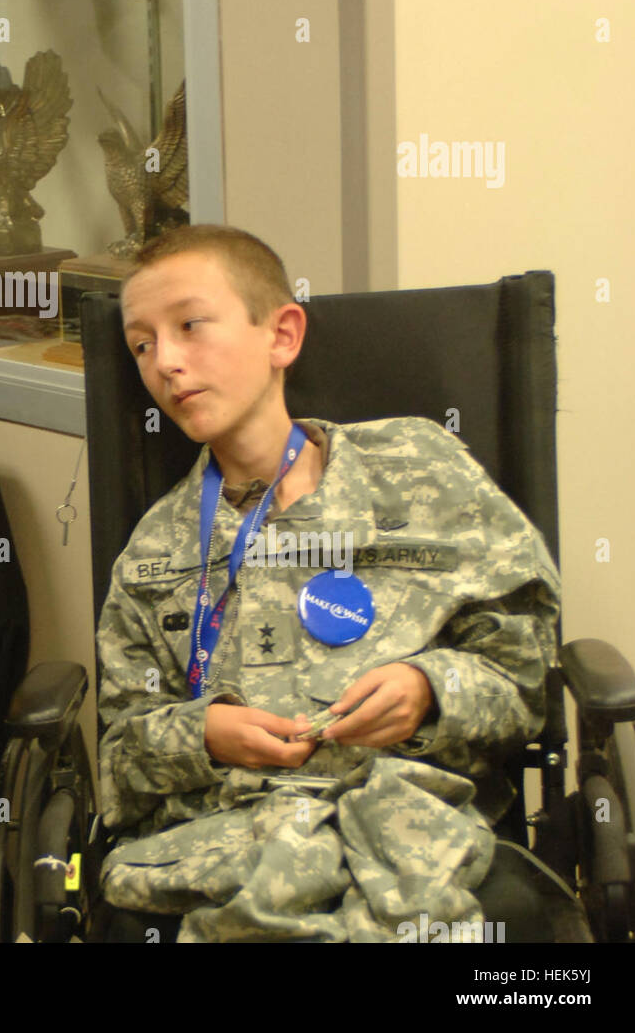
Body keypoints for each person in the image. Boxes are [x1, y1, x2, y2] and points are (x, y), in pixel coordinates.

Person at [96, 224, 560, 942]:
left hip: (414, 820)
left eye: (190, 325)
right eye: (142, 344)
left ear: (282, 336)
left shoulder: (419, 469)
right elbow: (120, 759)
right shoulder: (156, 551)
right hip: (225, 839)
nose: (166, 363)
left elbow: (527, 674)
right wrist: (204, 735)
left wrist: (431, 689)